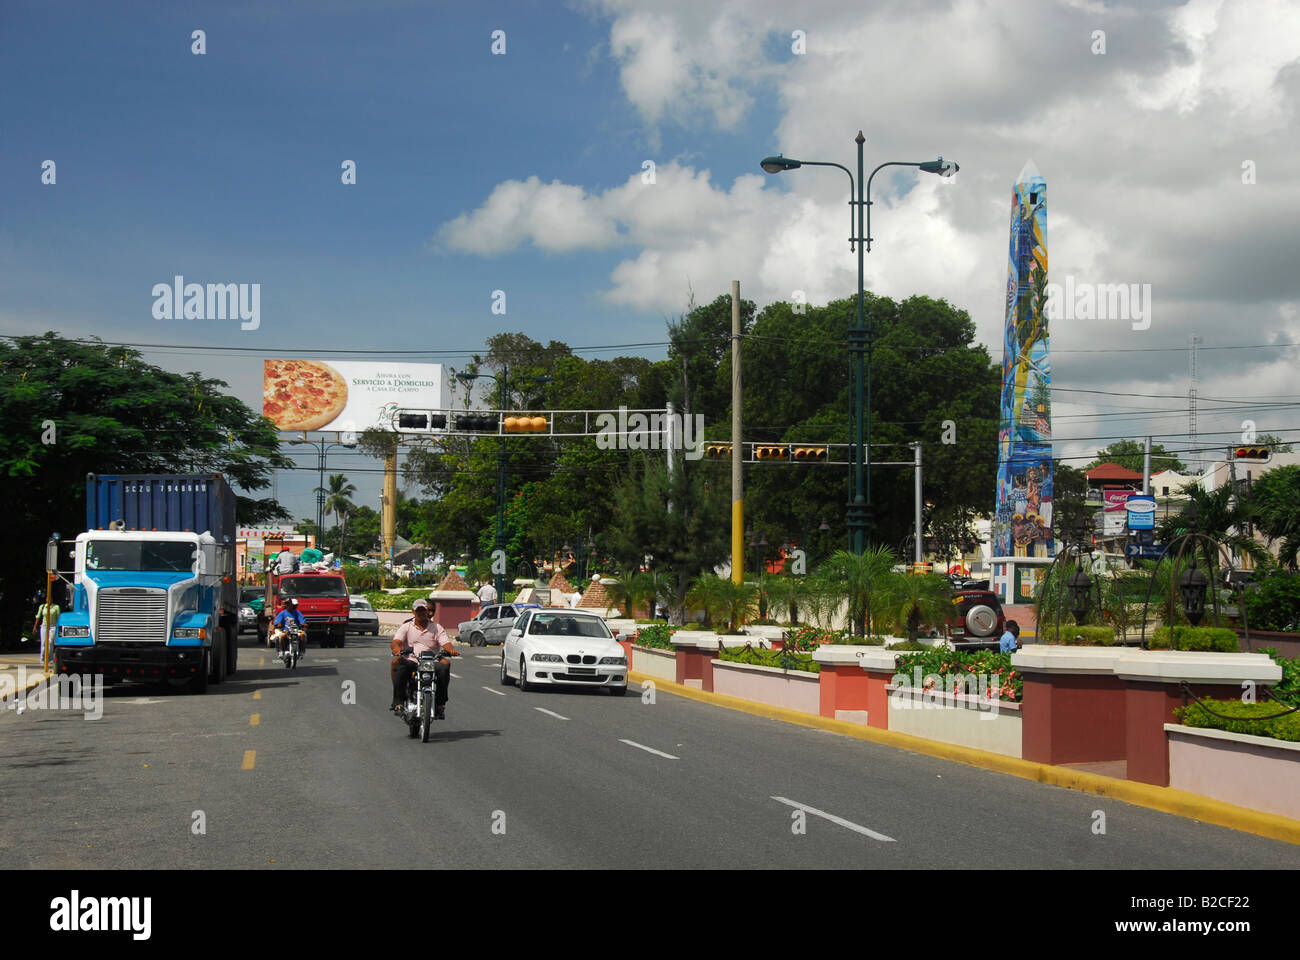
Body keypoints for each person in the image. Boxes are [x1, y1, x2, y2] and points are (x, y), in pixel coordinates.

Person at [390, 599, 458, 718]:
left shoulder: (437, 627)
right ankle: (398, 703)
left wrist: (450, 650)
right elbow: (397, 641)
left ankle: (440, 704)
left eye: (423, 610)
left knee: (444, 667)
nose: (421, 613)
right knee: (400, 667)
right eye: (418, 610)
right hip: (412, 660)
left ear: (427, 612)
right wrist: (396, 649)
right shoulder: (406, 626)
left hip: (431, 661)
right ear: (413, 612)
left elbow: (445, 642)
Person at [32, 595, 61, 669]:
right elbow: (38, 616)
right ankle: (42, 659)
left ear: (52, 599)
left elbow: (58, 617)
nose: (48, 600)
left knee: (50, 642)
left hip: (53, 626)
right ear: (46, 599)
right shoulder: (42, 606)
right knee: (44, 643)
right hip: (44, 626)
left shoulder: (56, 607)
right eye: (47, 598)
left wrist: (58, 627)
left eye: (50, 598)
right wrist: (35, 626)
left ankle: (50, 659)